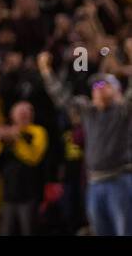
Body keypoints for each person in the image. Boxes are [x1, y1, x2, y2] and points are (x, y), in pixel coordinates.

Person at [40, 54, 132, 235]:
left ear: (117, 91)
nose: (98, 88)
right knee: (100, 231)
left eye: (104, 85)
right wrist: (46, 72)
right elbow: (62, 98)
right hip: (94, 183)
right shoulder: (89, 112)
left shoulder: (123, 111)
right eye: (95, 86)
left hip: (119, 180)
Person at [0, 100, 49, 236]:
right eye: (20, 112)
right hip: (8, 194)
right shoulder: (7, 133)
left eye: (27, 112)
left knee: (29, 230)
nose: (23, 115)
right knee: (6, 231)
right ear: (12, 115)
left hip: (29, 194)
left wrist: (17, 140)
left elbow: (34, 157)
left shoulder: (37, 131)